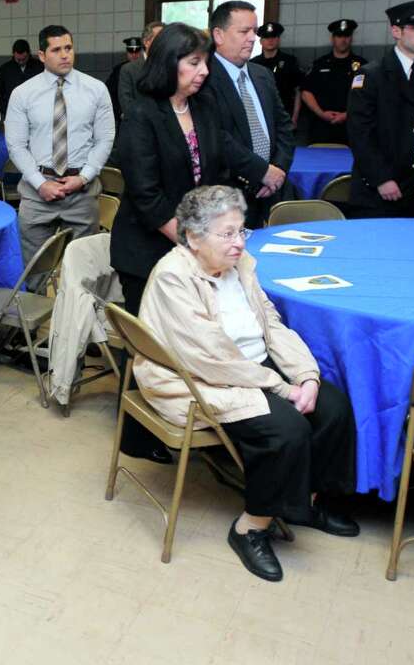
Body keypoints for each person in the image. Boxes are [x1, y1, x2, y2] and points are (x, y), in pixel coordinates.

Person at [136, 185, 358, 582]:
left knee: (335, 408)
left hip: (254, 365)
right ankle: (250, 527)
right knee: (285, 430)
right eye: (227, 234)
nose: (238, 243)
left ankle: (305, 503)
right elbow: (210, 357)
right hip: (199, 379)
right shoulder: (173, 276)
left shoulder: (241, 265)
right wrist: (282, 388)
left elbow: (271, 324)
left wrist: (305, 376)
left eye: (242, 231)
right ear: (193, 237)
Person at [109, 23, 234, 464]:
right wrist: (193, 244)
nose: (202, 72)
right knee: (151, 343)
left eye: (205, 62)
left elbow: (214, 171)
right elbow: (146, 194)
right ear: (168, 64)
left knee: (189, 339)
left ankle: (186, 420)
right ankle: (138, 436)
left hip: (191, 245)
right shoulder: (142, 114)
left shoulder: (204, 106)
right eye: (193, 62)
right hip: (147, 250)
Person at [5, 25, 114, 261]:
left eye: (68, 48)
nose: (65, 55)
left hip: (81, 191)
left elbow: (105, 139)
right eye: (56, 50)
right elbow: (16, 145)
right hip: (37, 191)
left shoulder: (96, 90)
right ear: (42, 55)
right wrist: (40, 183)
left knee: (86, 271)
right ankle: (37, 297)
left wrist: (84, 177)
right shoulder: (23, 94)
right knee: (34, 271)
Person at [348, 0, 414, 218]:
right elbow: (360, 132)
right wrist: (381, 178)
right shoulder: (371, 75)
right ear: (396, 31)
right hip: (378, 192)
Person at [199, 0, 295, 228]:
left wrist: (278, 170)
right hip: (227, 196)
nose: (253, 38)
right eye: (244, 31)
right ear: (218, 35)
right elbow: (216, 135)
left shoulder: (262, 75)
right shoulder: (204, 77)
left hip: (272, 190)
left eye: (254, 31)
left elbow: (284, 127)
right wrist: (260, 172)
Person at [300, 19, 367, 145]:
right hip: (321, 127)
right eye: (339, 36)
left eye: (347, 36)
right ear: (332, 38)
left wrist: (346, 115)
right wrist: (321, 113)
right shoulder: (319, 64)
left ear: (351, 38)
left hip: (350, 127)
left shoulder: (362, 65)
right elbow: (306, 92)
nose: (343, 40)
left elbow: (367, 95)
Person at [249, 21, 303, 126]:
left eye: (273, 37)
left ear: (278, 39)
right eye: (266, 37)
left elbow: (298, 91)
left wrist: (295, 118)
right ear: (261, 41)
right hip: (261, 118)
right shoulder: (253, 64)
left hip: (285, 116)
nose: (270, 40)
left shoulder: (290, 61)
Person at [117, 21, 165, 118]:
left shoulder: (171, 67)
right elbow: (127, 105)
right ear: (146, 42)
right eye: (160, 39)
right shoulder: (129, 70)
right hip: (141, 127)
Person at [0, 38, 44, 118]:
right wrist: (5, 110)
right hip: (12, 112)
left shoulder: (39, 67)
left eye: (23, 59)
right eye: (18, 59)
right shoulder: (5, 70)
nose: (21, 62)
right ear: (13, 54)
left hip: (36, 111)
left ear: (28, 54)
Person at [105, 37, 143, 124]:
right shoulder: (118, 70)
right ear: (127, 52)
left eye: (136, 51)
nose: (134, 55)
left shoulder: (147, 68)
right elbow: (109, 93)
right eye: (131, 52)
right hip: (125, 119)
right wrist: (119, 112)